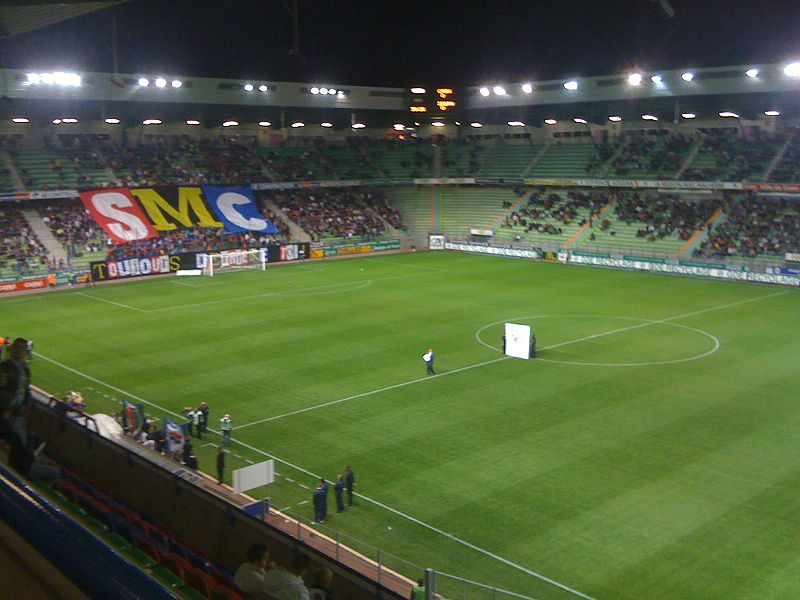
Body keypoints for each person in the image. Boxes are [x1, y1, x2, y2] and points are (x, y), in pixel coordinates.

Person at [0, 338, 33, 446]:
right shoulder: (4, 367)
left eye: (22, 348)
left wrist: (27, 406)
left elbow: (26, 390)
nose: (19, 350)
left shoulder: (26, 370)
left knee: (18, 444)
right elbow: (2, 391)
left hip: (18, 414)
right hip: (5, 413)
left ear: (26, 351)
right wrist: (15, 408)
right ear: (11, 349)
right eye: (16, 347)